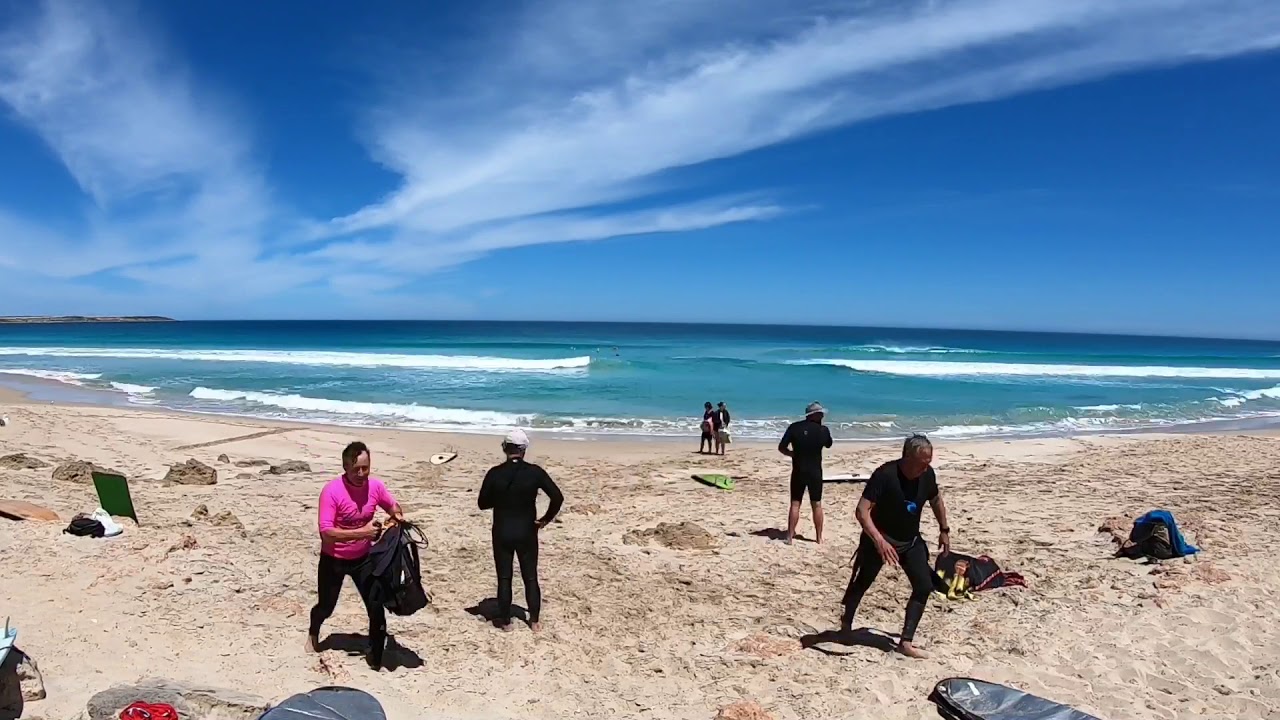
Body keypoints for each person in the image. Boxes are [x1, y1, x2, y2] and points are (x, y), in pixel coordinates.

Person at [840, 433, 951, 659]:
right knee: (862, 583)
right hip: (878, 540)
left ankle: (906, 642)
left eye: (929, 462)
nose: (926, 467)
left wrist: (944, 529)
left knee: (923, 586)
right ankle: (846, 626)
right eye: (922, 463)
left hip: (910, 541)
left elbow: (936, 499)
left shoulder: (927, 474)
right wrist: (879, 541)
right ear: (907, 457)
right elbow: (861, 511)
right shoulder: (885, 475)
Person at [307, 441, 404, 669]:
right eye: (356, 470)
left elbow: (394, 507)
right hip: (334, 559)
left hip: (363, 559)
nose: (361, 474)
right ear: (345, 468)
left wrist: (395, 517)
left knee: (375, 606)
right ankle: (313, 633)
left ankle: (376, 656)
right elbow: (326, 533)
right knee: (326, 606)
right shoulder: (331, 491)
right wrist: (364, 532)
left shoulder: (376, 487)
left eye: (365, 468)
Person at [478, 429, 564, 632]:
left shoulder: (495, 473)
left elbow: (482, 503)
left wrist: (499, 499)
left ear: (505, 448)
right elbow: (557, 497)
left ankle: (506, 622)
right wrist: (544, 520)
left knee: (504, 577)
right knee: (530, 576)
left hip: (502, 531)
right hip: (527, 530)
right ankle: (534, 621)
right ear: (524, 450)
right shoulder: (535, 472)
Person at [777, 402, 833, 544]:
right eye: (820, 413)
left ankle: (790, 537)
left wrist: (792, 454)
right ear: (813, 415)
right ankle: (819, 538)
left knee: (795, 504)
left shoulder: (794, 428)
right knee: (817, 504)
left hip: (799, 470)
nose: (822, 415)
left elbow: (781, 447)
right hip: (815, 472)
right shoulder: (823, 430)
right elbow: (828, 444)